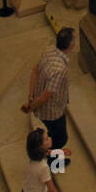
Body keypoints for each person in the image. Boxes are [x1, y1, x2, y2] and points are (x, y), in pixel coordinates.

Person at [22, 27, 75, 163]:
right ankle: (55, 163)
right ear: (70, 44)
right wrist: (31, 107)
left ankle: (51, 155)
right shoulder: (60, 70)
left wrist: (30, 96)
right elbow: (47, 95)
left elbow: (35, 71)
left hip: (45, 106)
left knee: (51, 135)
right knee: (60, 138)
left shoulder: (49, 50)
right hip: (53, 111)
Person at [23, 128, 69, 192]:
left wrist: (60, 151)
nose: (50, 138)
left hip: (26, 190)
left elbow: (47, 152)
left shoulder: (34, 156)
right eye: (47, 139)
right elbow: (51, 188)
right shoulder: (43, 167)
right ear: (40, 147)